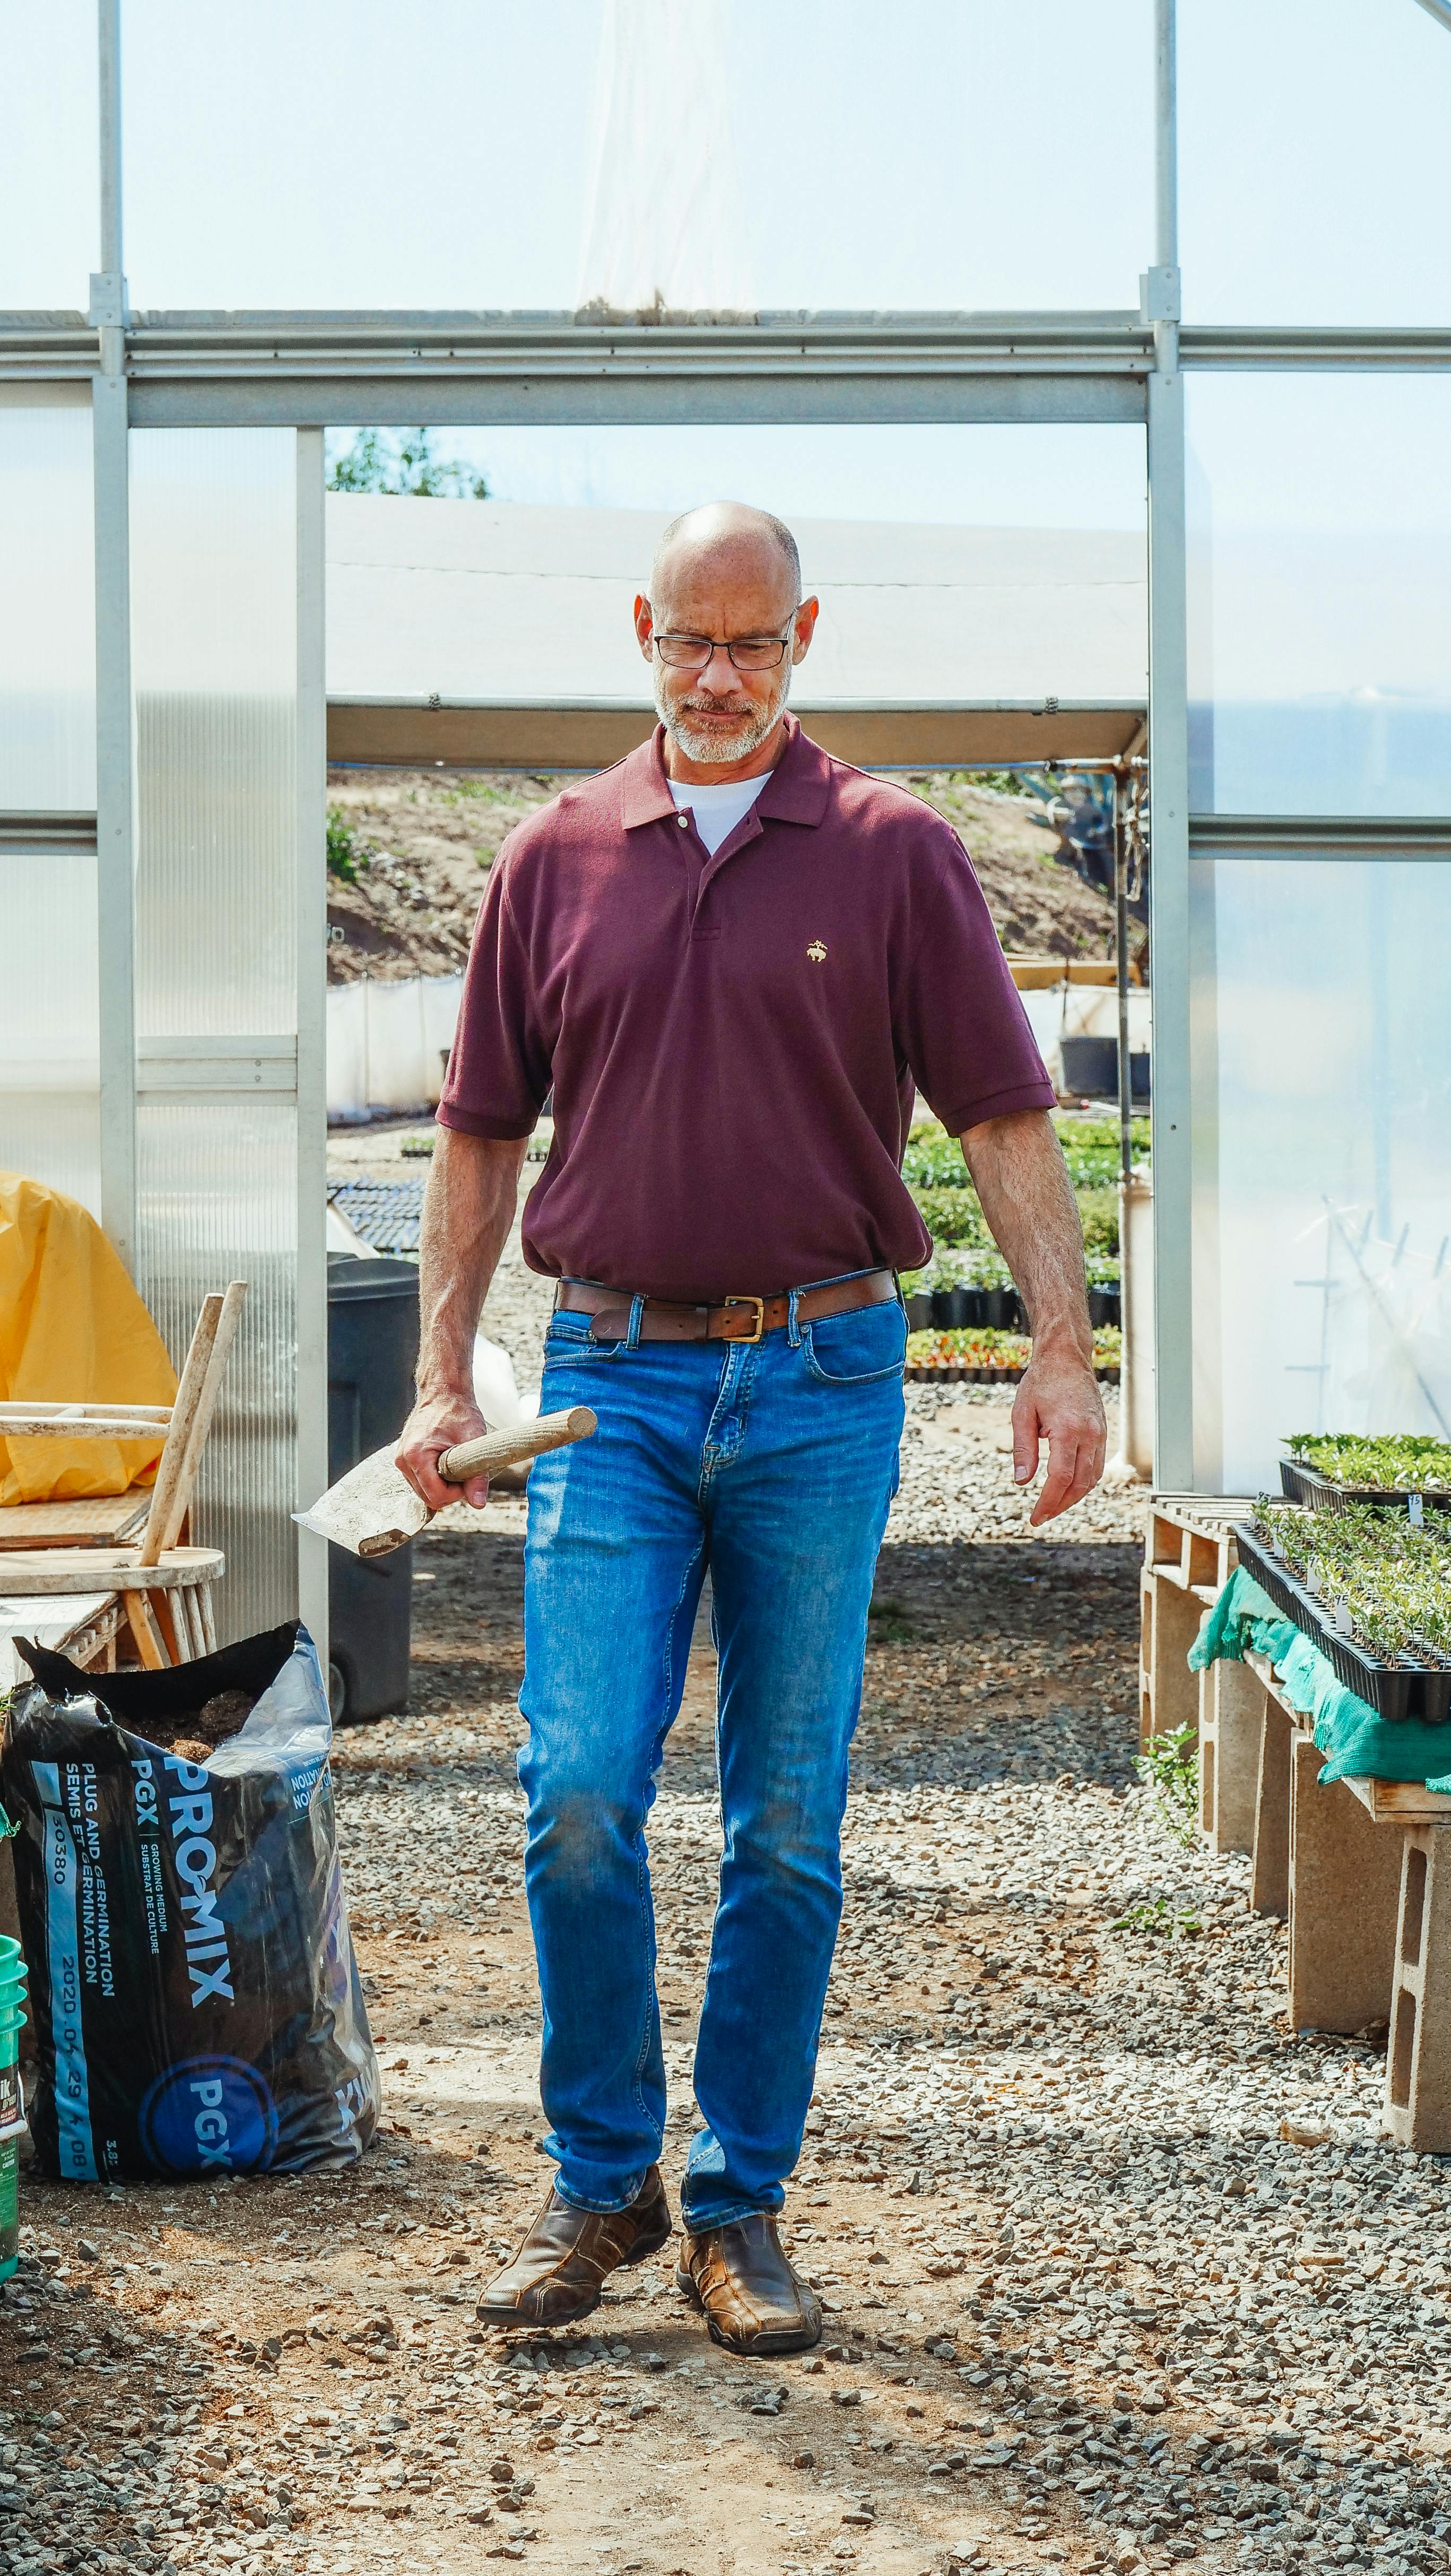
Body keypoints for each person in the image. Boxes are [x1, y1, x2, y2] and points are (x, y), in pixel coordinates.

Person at [396, 500, 1106, 2354]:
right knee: (574, 1794)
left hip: (822, 1380)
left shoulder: (892, 852)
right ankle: (600, 2180)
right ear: (641, 630)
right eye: (690, 643)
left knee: (788, 1824)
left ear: (808, 641)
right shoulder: (552, 856)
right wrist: (435, 1370)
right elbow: (478, 1131)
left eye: (756, 645)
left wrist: (1062, 1348)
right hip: (607, 1387)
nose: (720, 679)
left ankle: (738, 2205)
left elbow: (1000, 1115)